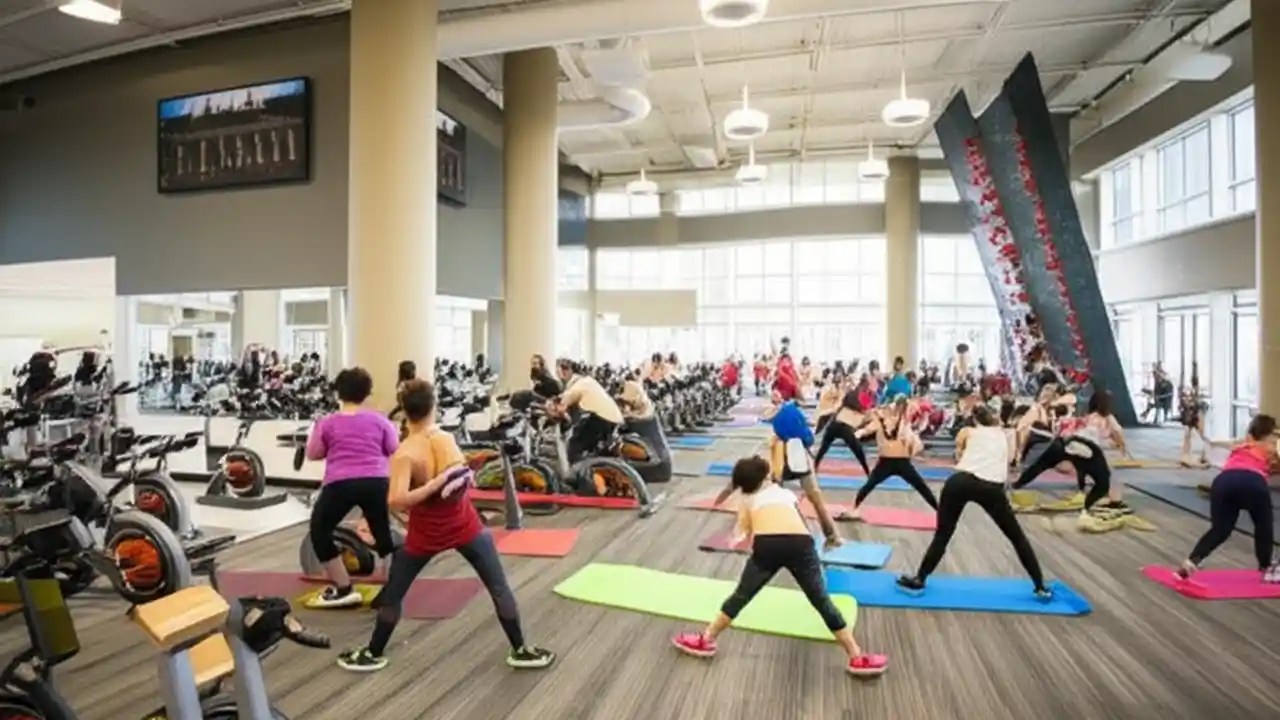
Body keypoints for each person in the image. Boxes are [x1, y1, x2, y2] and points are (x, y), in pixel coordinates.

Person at [337, 379, 554, 672]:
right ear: (433, 407)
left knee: (396, 592)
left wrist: (432, 487)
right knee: (498, 587)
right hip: (455, 527)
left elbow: (398, 501)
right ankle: (522, 650)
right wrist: (438, 483)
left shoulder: (408, 452)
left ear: (403, 410)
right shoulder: (440, 441)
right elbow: (406, 498)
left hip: (440, 529)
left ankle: (373, 653)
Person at [673, 457, 888, 677]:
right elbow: (800, 522)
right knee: (821, 600)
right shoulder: (786, 494)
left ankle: (707, 639)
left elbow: (742, 532)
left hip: (768, 546)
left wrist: (737, 540)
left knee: (742, 595)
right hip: (801, 544)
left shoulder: (747, 499)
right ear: (766, 477)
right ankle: (856, 656)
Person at [896, 405, 1052, 600]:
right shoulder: (1007, 434)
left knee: (943, 534)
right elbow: (1012, 459)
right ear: (996, 420)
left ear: (977, 420)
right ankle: (1040, 586)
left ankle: (920, 579)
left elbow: (960, 453)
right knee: (1016, 537)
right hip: (991, 487)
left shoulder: (969, 431)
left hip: (960, 482)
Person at [304, 368, 400, 609]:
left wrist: (317, 430)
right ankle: (392, 590)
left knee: (319, 530)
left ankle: (344, 588)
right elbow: (393, 447)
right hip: (376, 481)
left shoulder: (327, 423)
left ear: (338, 392)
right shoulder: (380, 420)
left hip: (340, 482)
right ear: (367, 393)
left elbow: (313, 454)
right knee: (382, 533)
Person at [1177, 414, 1279, 582]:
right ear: (1270, 434)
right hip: (1252, 481)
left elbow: (1216, 443)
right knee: (1263, 526)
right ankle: (1265, 567)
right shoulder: (1273, 448)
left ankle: (1192, 560)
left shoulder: (1240, 445)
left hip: (1223, 481)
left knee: (1220, 529)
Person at [852, 396, 939, 517]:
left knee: (921, 486)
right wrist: (858, 434)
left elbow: (913, 433)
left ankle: (940, 511)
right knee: (869, 485)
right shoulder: (883, 419)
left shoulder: (904, 422)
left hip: (902, 461)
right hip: (886, 461)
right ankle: (854, 508)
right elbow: (868, 429)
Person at [553, 358, 624, 464]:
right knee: (592, 443)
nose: (562, 373)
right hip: (613, 418)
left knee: (575, 444)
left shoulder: (575, 386)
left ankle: (578, 474)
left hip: (602, 418)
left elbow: (561, 407)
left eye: (565, 369)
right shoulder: (586, 381)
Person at [813, 386, 873, 477]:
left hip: (836, 424)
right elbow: (866, 414)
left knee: (823, 448)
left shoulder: (848, 402)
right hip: (845, 427)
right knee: (858, 451)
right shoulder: (861, 403)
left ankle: (814, 466)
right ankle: (867, 472)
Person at [1178, 363, 1211, 468]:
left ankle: (1194, 457)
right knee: (1191, 436)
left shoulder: (1194, 397)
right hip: (1193, 416)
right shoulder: (1192, 430)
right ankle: (1191, 457)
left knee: (1194, 436)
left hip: (1194, 415)